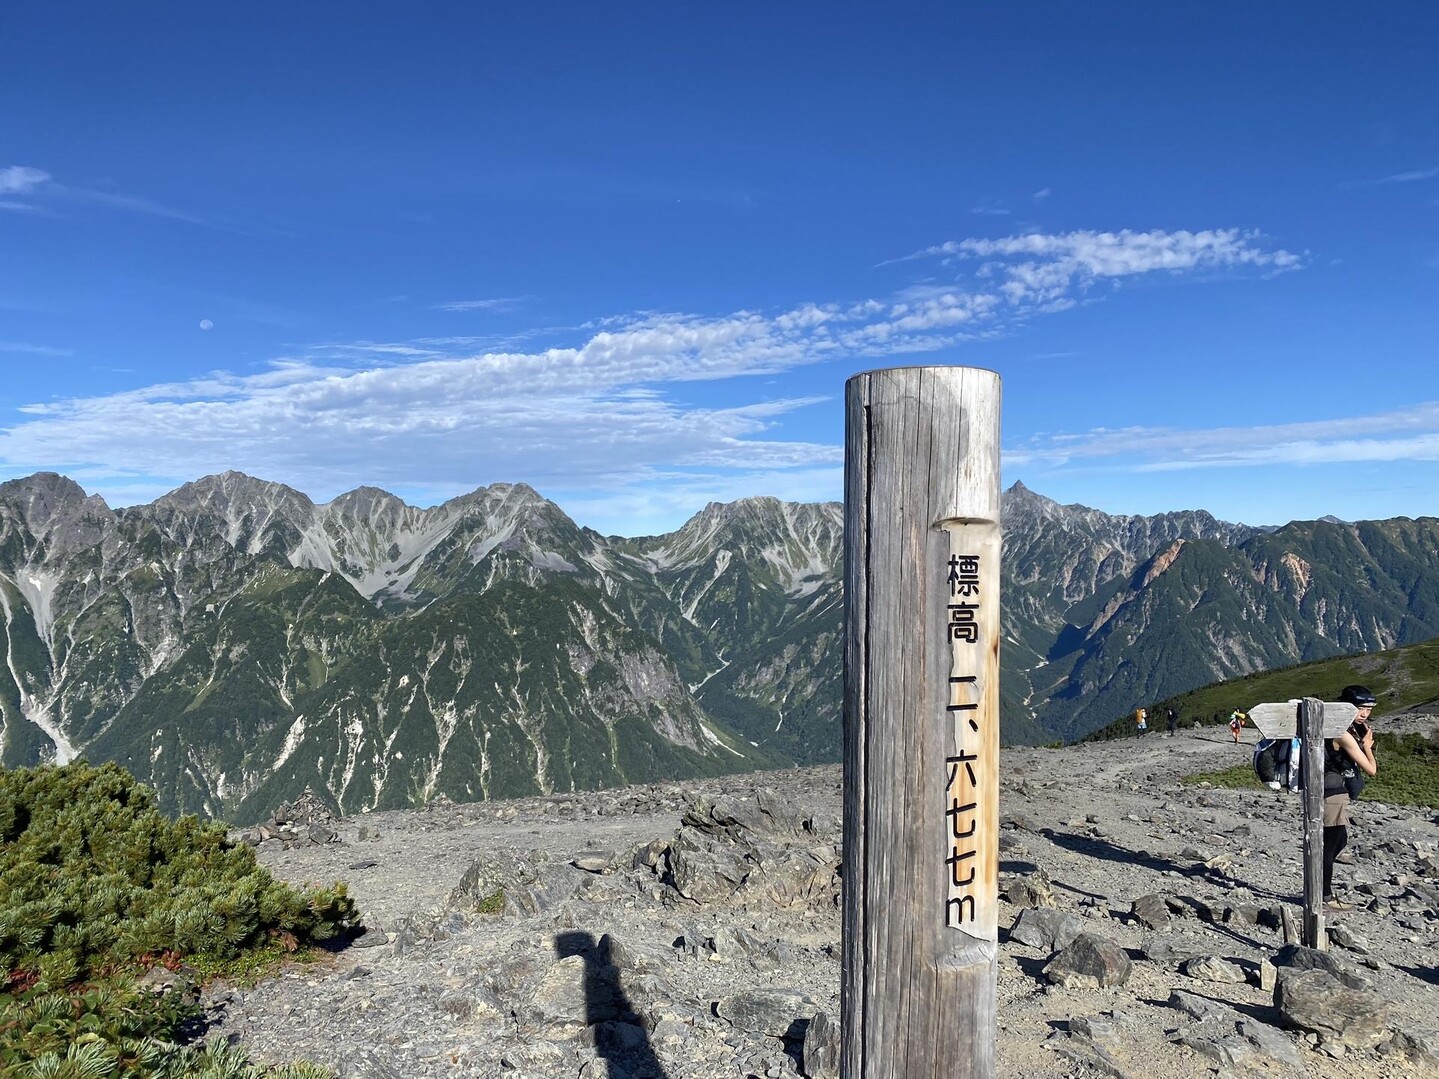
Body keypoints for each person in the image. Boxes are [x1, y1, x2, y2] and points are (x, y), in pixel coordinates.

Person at [1321, 685, 1378, 912]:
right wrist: (1367, 747)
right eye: (1360, 708)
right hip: (1332, 793)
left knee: (1339, 840)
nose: (1364, 714)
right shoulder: (1343, 734)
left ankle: (1319, 887)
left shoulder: (1334, 727)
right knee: (1330, 845)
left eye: (1368, 709)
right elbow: (1371, 769)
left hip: (1331, 791)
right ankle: (1323, 896)